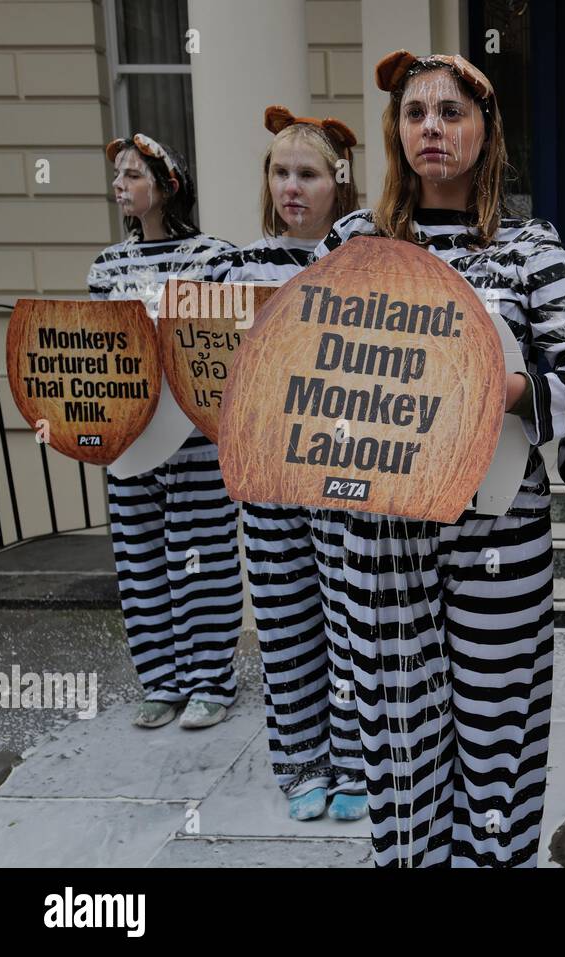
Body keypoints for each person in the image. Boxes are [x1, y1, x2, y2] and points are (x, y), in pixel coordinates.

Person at [310, 50, 565, 867]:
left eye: (452, 113)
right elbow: (305, 373)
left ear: (486, 132)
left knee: (497, 729)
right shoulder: (353, 243)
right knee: (396, 732)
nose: (432, 128)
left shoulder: (529, 249)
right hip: (379, 535)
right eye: (416, 113)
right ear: (396, 132)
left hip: (499, 531)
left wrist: (518, 390)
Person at [205, 106, 365, 820]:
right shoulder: (236, 267)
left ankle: (358, 760)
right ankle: (302, 761)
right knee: (284, 616)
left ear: (339, 182)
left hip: (343, 469)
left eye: (308, 173)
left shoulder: (359, 260)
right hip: (269, 475)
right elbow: (205, 361)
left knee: (349, 617)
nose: (292, 186)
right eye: (280, 172)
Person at [88, 134, 241, 731]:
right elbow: (99, 352)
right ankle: (161, 680)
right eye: (118, 176)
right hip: (129, 438)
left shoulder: (215, 259)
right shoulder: (107, 267)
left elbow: (225, 347)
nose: (120, 185)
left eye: (132, 175)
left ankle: (210, 680)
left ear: (166, 184)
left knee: (200, 555)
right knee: (140, 556)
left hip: (197, 441)